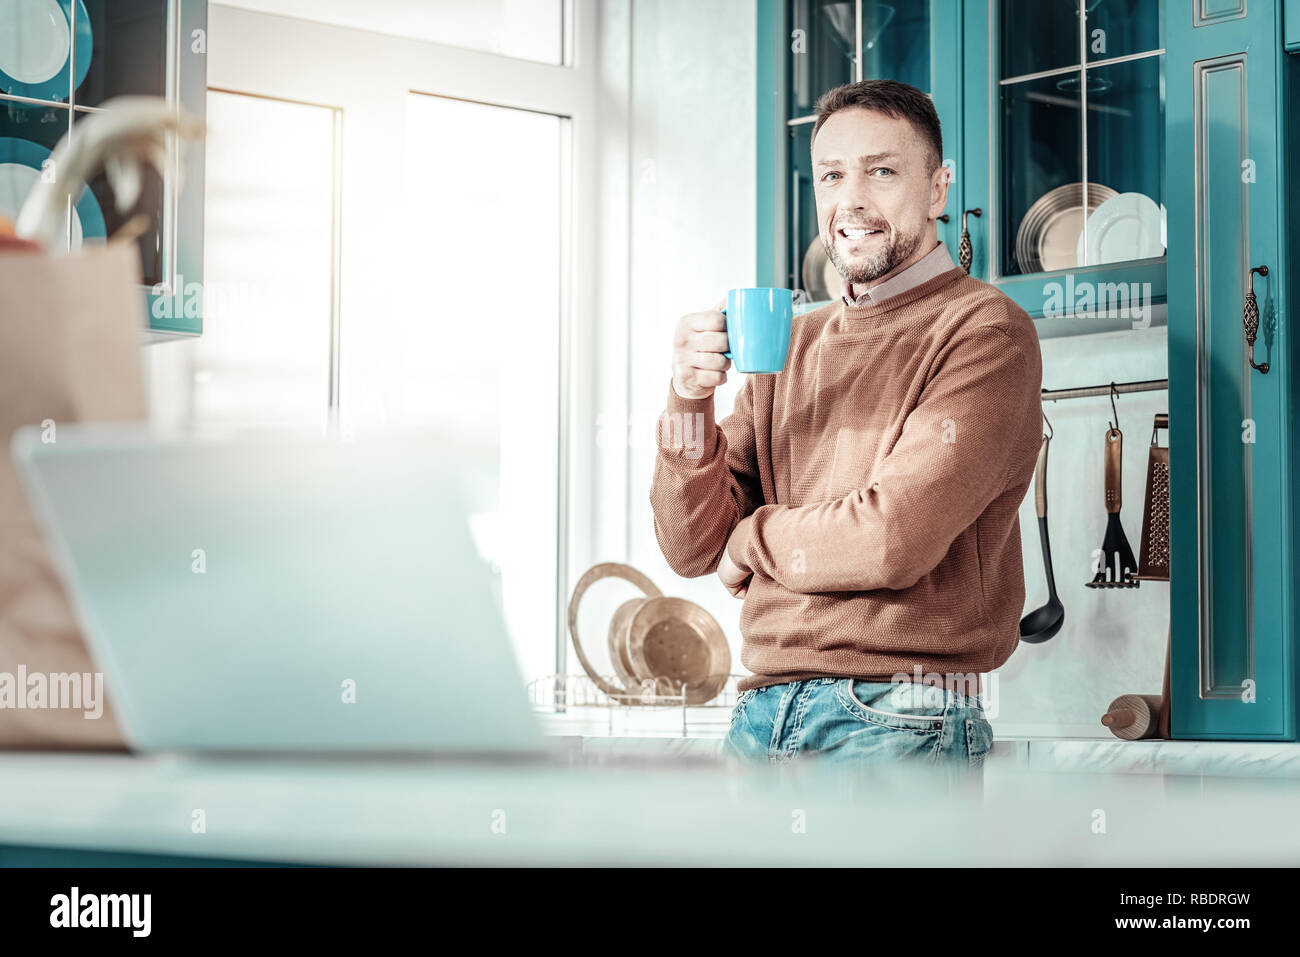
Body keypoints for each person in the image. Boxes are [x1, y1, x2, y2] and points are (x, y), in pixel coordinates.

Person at [650, 79, 1043, 770]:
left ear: (937, 189)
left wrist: (751, 540)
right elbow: (689, 547)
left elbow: (892, 537)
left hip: (900, 714)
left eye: (882, 171)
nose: (851, 200)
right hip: (760, 713)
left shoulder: (984, 331)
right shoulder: (791, 343)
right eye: (832, 175)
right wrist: (687, 399)